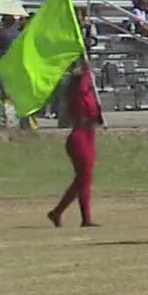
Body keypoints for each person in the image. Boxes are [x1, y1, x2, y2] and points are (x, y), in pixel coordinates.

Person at [47, 61, 103, 228]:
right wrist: (86, 71)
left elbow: (95, 115)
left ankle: (58, 212)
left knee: (84, 179)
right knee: (83, 178)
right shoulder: (76, 92)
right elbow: (82, 87)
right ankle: (83, 217)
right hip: (79, 138)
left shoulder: (89, 94)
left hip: (89, 135)